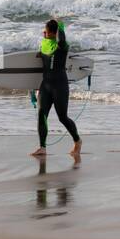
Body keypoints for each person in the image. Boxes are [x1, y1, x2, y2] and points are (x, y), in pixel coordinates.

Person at [30, 18, 81, 157]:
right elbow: (45, 43)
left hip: (60, 85)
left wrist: (61, 26)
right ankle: (42, 148)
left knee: (62, 117)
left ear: (53, 33)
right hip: (45, 85)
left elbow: (61, 40)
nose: (44, 33)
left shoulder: (62, 46)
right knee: (41, 115)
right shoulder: (44, 43)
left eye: (46, 31)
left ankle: (77, 140)